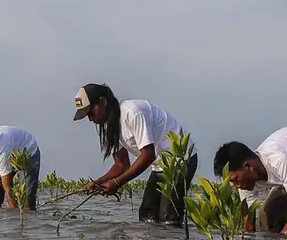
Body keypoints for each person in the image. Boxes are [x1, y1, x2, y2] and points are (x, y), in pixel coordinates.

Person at [73, 83, 197, 225]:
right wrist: (99, 182)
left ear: (103, 102)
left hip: (181, 159)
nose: (90, 119)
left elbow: (147, 154)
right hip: (161, 165)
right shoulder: (110, 127)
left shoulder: (132, 112)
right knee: (146, 214)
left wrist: (117, 182)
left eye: (90, 112)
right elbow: (121, 165)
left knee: (170, 218)